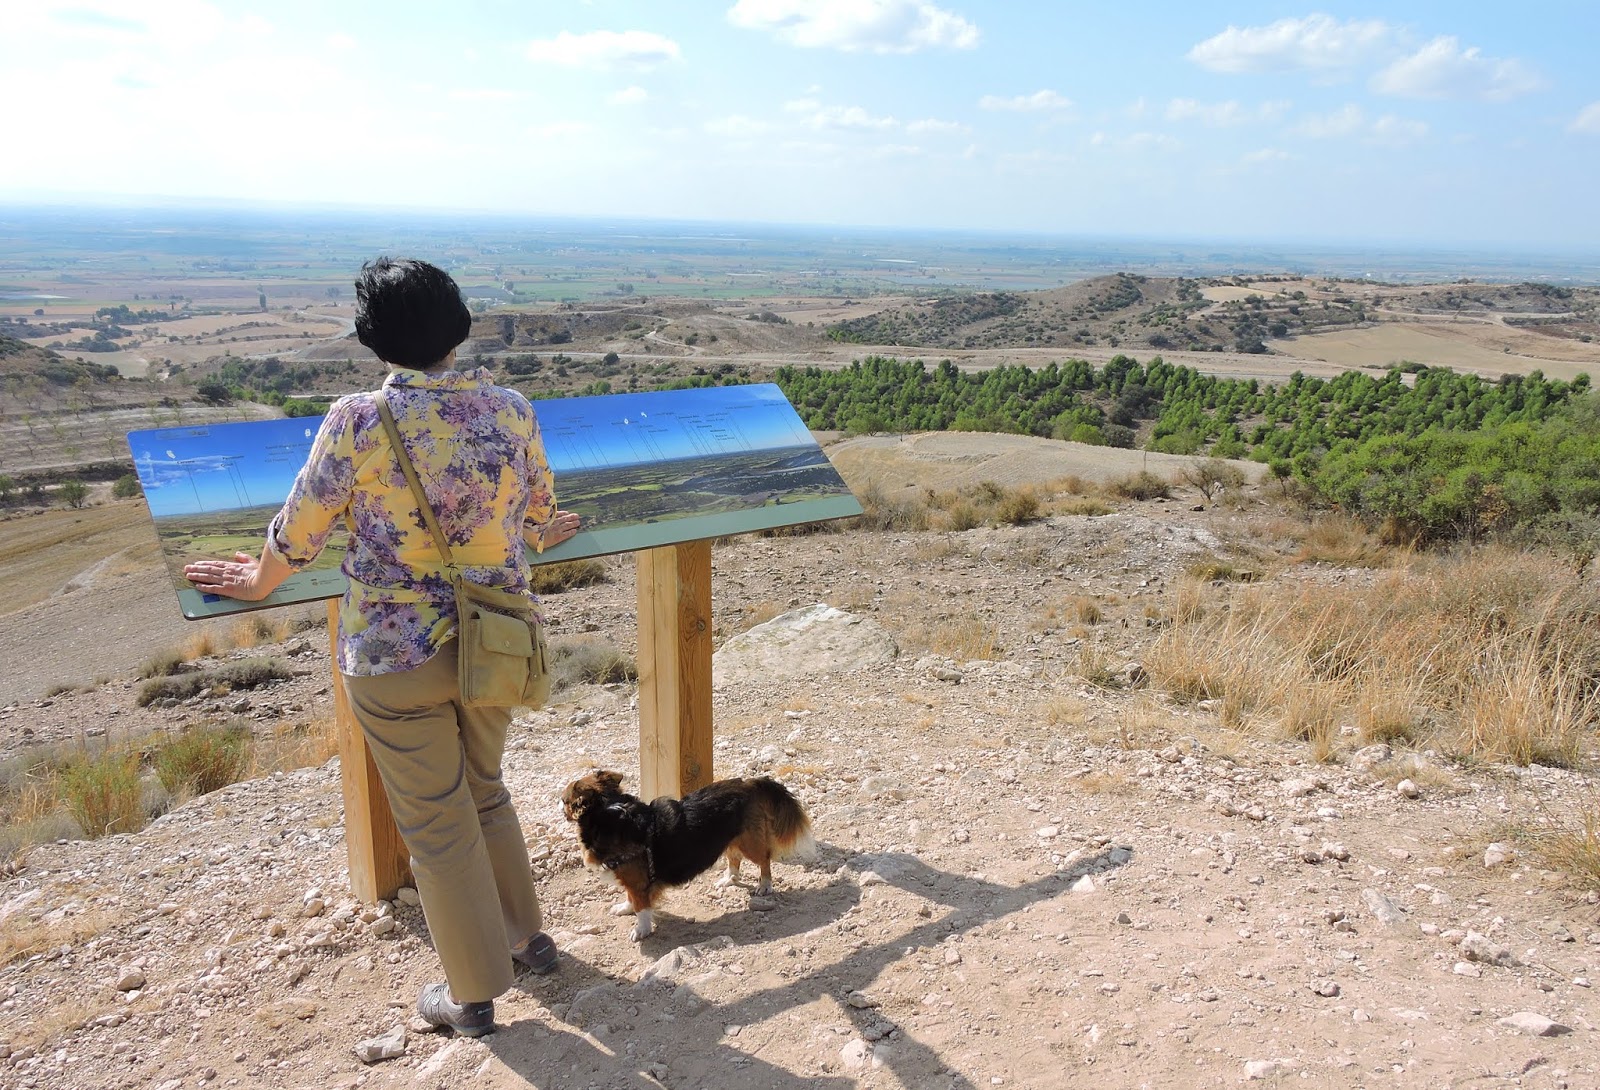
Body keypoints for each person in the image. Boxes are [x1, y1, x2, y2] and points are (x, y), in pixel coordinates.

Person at [184, 257, 580, 1038]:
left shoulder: (359, 419)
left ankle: (471, 997)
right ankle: (529, 941)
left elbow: (302, 529)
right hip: (495, 639)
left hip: (395, 655)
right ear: (458, 326)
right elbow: (538, 515)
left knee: (435, 820)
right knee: (485, 789)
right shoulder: (511, 409)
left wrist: (258, 583)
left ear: (375, 338)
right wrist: (541, 532)